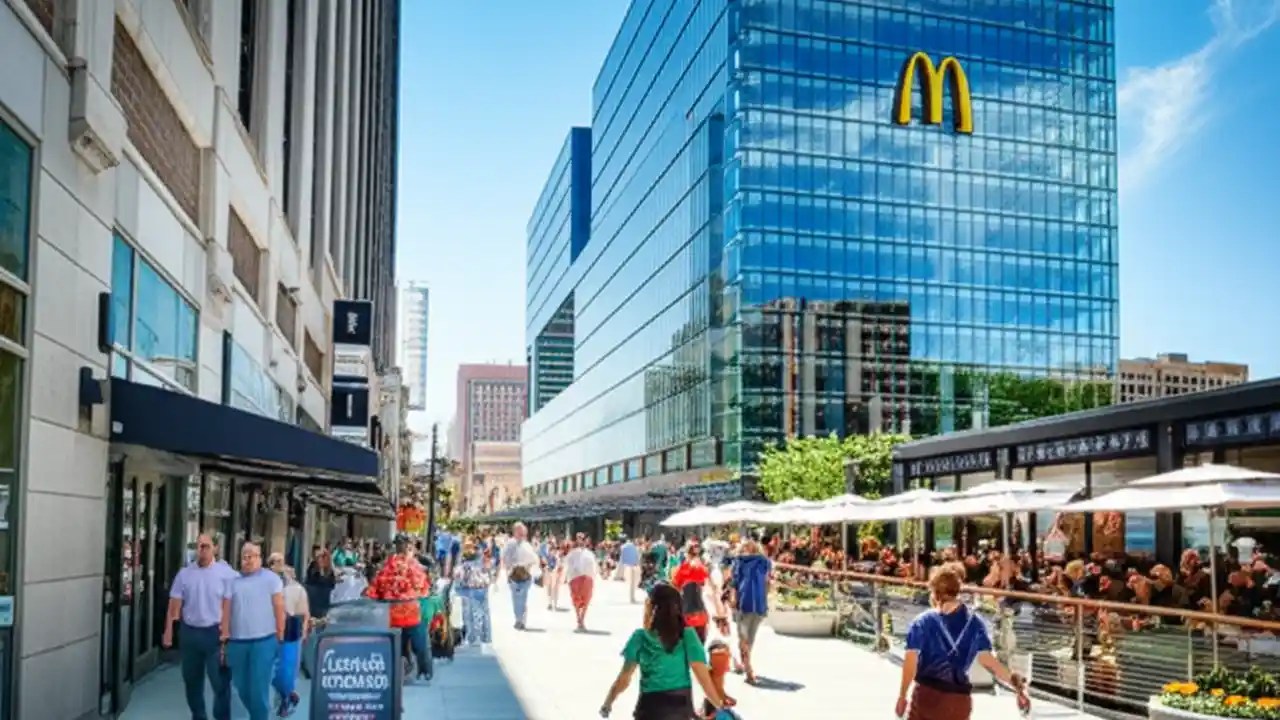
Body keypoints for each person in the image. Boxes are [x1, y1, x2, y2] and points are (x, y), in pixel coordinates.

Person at [896, 563, 1028, 720]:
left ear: (935, 592)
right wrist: (1016, 685)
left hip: (927, 695)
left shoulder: (923, 622)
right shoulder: (975, 622)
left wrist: (902, 695)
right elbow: (989, 661)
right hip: (958, 700)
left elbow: (910, 663)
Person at [599, 584, 731, 720]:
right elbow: (701, 675)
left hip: (649, 708)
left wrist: (608, 703)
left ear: (650, 608)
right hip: (680, 707)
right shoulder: (687, 635)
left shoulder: (640, 637)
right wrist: (720, 707)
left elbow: (624, 678)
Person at [163, 533, 237, 720]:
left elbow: (237, 599)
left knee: (219, 682)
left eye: (206, 546)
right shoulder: (185, 574)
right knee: (191, 681)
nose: (201, 550)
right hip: (190, 633)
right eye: (199, 546)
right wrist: (169, 631)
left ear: (215, 548)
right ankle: (199, 716)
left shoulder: (226, 574)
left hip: (215, 634)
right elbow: (174, 604)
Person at [220, 543, 286, 720]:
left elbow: (279, 606)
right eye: (244, 556)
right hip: (237, 642)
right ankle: (259, 714)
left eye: (252, 556)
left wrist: (280, 633)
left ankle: (260, 717)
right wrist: (224, 637)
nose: (247, 560)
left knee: (258, 689)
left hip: (263, 641)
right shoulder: (232, 582)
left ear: (260, 558)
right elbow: (226, 611)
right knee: (241, 687)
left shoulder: (271, 579)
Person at [367, 534, 431, 681]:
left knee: (419, 642)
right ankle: (401, 669)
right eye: (398, 544)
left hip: (410, 612)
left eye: (402, 544)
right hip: (394, 614)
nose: (400, 547)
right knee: (398, 644)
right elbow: (378, 584)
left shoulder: (414, 564)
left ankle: (424, 668)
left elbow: (422, 585)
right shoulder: (389, 564)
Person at [268, 558, 309, 717]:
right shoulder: (268, 587)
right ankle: (285, 696)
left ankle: (285, 698)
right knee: (272, 672)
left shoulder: (298, 589)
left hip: (291, 632)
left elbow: (304, 614)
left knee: (286, 671)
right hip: (270, 631)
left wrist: (304, 632)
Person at [728, 539, 771, 685]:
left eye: (751, 545)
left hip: (758, 604)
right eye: (746, 545)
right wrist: (733, 598)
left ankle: (745, 662)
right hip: (743, 603)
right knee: (744, 638)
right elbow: (734, 582)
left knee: (750, 639)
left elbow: (767, 582)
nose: (749, 547)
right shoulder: (738, 562)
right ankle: (748, 669)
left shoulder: (763, 562)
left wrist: (766, 602)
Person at [453, 539, 494, 649]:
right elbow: (489, 570)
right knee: (484, 612)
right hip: (481, 585)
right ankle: (486, 637)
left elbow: (458, 574)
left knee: (471, 614)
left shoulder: (466, 558)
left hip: (471, 586)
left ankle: (473, 638)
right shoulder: (483, 558)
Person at [501, 522, 541, 630]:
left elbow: (534, 559)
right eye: (519, 530)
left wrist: (529, 567)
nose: (521, 533)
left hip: (525, 575)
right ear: (514, 531)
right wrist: (509, 569)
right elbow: (504, 558)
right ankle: (518, 619)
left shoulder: (527, 545)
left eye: (522, 530)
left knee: (523, 598)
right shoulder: (509, 544)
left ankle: (521, 620)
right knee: (516, 599)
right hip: (513, 574)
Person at [565, 534, 600, 632]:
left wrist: (594, 577)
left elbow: (594, 567)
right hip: (575, 579)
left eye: (583, 539)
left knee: (586, 600)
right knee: (576, 600)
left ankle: (582, 619)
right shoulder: (572, 553)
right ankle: (578, 619)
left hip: (587, 579)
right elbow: (568, 565)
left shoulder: (590, 554)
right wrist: (568, 578)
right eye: (579, 539)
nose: (581, 541)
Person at [544, 539, 566, 611]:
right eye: (551, 550)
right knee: (549, 589)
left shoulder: (558, 557)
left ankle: (554, 605)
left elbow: (560, 565)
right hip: (549, 573)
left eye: (554, 550)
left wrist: (556, 568)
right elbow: (544, 565)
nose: (553, 551)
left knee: (555, 589)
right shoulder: (548, 556)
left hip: (555, 575)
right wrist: (546, 567)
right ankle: (550, 603)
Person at [619, 536, 642, 603]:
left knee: (631, 583)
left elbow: (622, 558)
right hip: (634, 566)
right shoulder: (634, 548)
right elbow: (637, 557)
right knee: (633, 582)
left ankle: (632, 597)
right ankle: (632, 598)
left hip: (629, 566)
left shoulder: (624, 547)